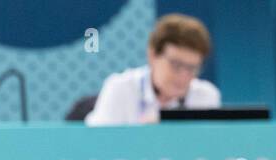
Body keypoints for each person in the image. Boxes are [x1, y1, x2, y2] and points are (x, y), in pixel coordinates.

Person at [85, 14, 219, 126]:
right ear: (153, 55)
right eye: (176, 65)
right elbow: (96, 145)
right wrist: (145, 135)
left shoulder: (206, 97)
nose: (184, 76)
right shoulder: (120, 88)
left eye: (192, 68)